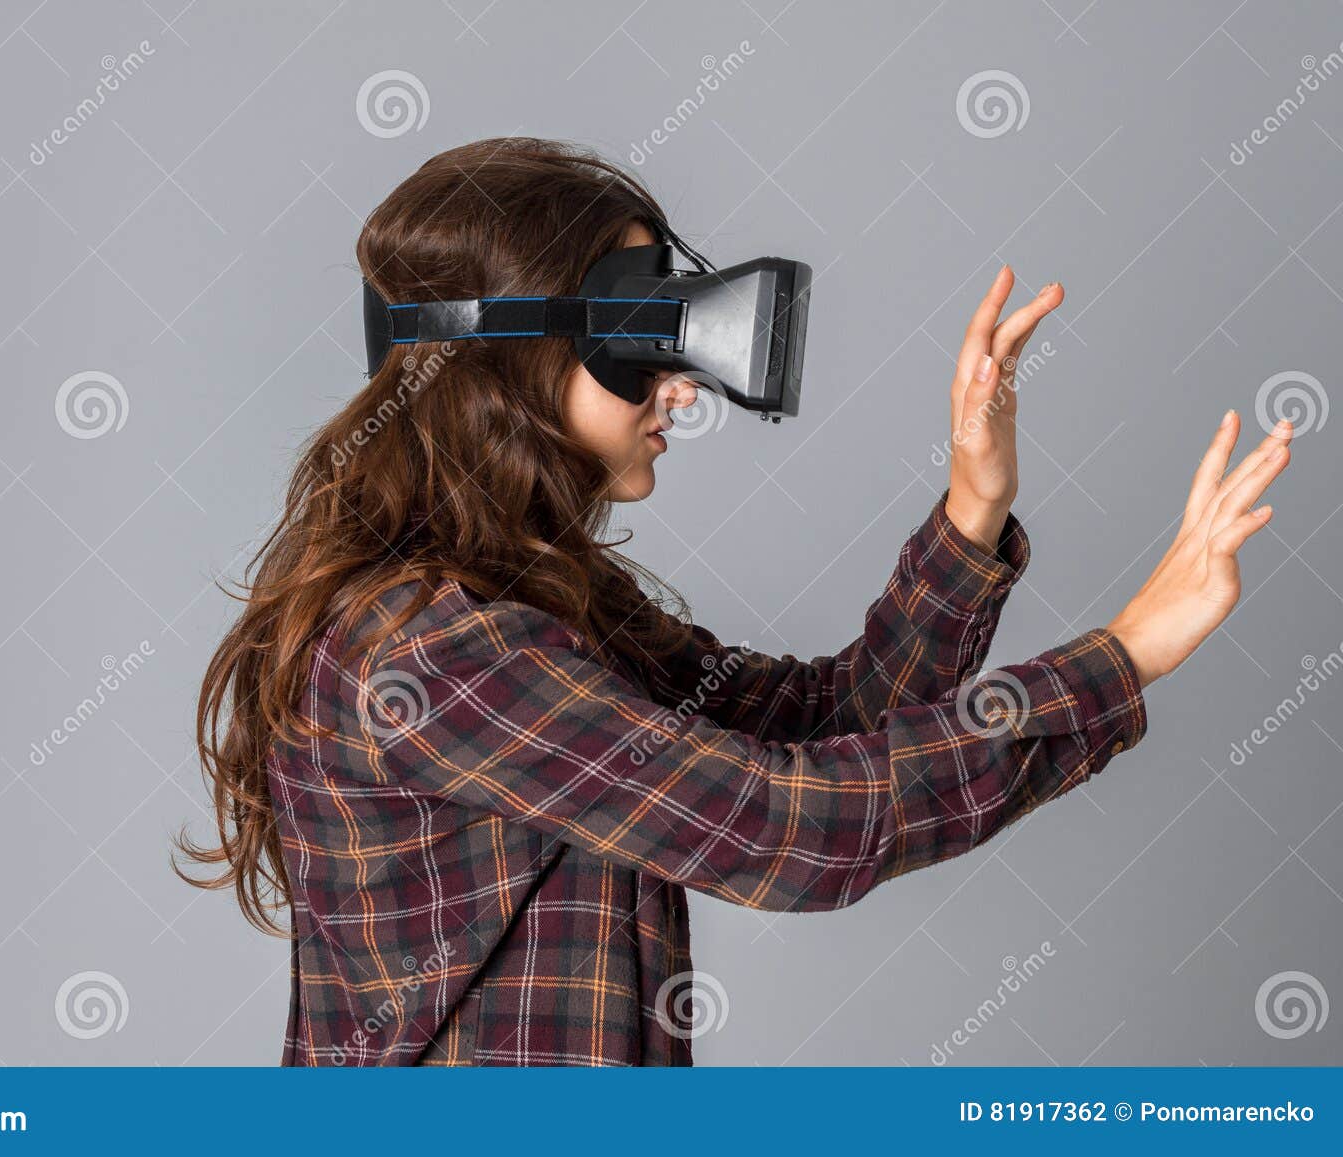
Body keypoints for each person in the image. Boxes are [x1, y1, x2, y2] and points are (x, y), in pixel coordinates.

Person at [178, 137, 1294, 1066]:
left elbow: (831, 723)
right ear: (503, 361)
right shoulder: (430, 648)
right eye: (634, 334)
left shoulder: (529, 606)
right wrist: (1128, 652)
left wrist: (970, 507)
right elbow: (796, 827)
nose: (682, 381)